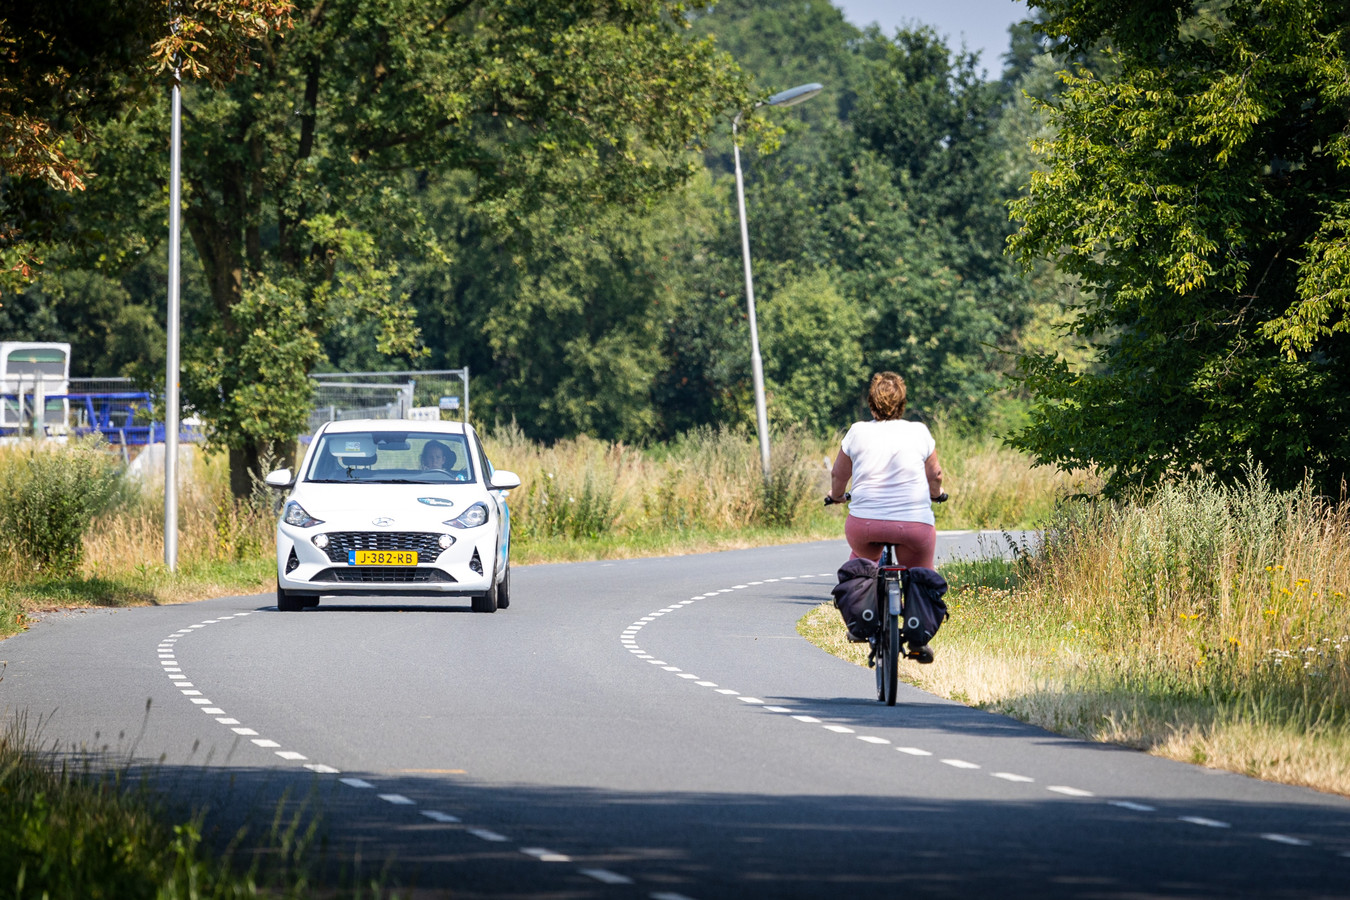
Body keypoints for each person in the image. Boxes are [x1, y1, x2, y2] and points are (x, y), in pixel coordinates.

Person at [826, 372, 944, 568]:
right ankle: (920, 593)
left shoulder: (857, 431)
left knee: (860, 566)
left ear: (871, 404)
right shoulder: (919, 431)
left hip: (865, 524)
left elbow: (839, 474)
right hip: (913, 523)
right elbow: (935, 475)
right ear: (902, 404)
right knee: (920, 573)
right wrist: (936, 494)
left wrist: (837, 495)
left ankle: (857, 591)